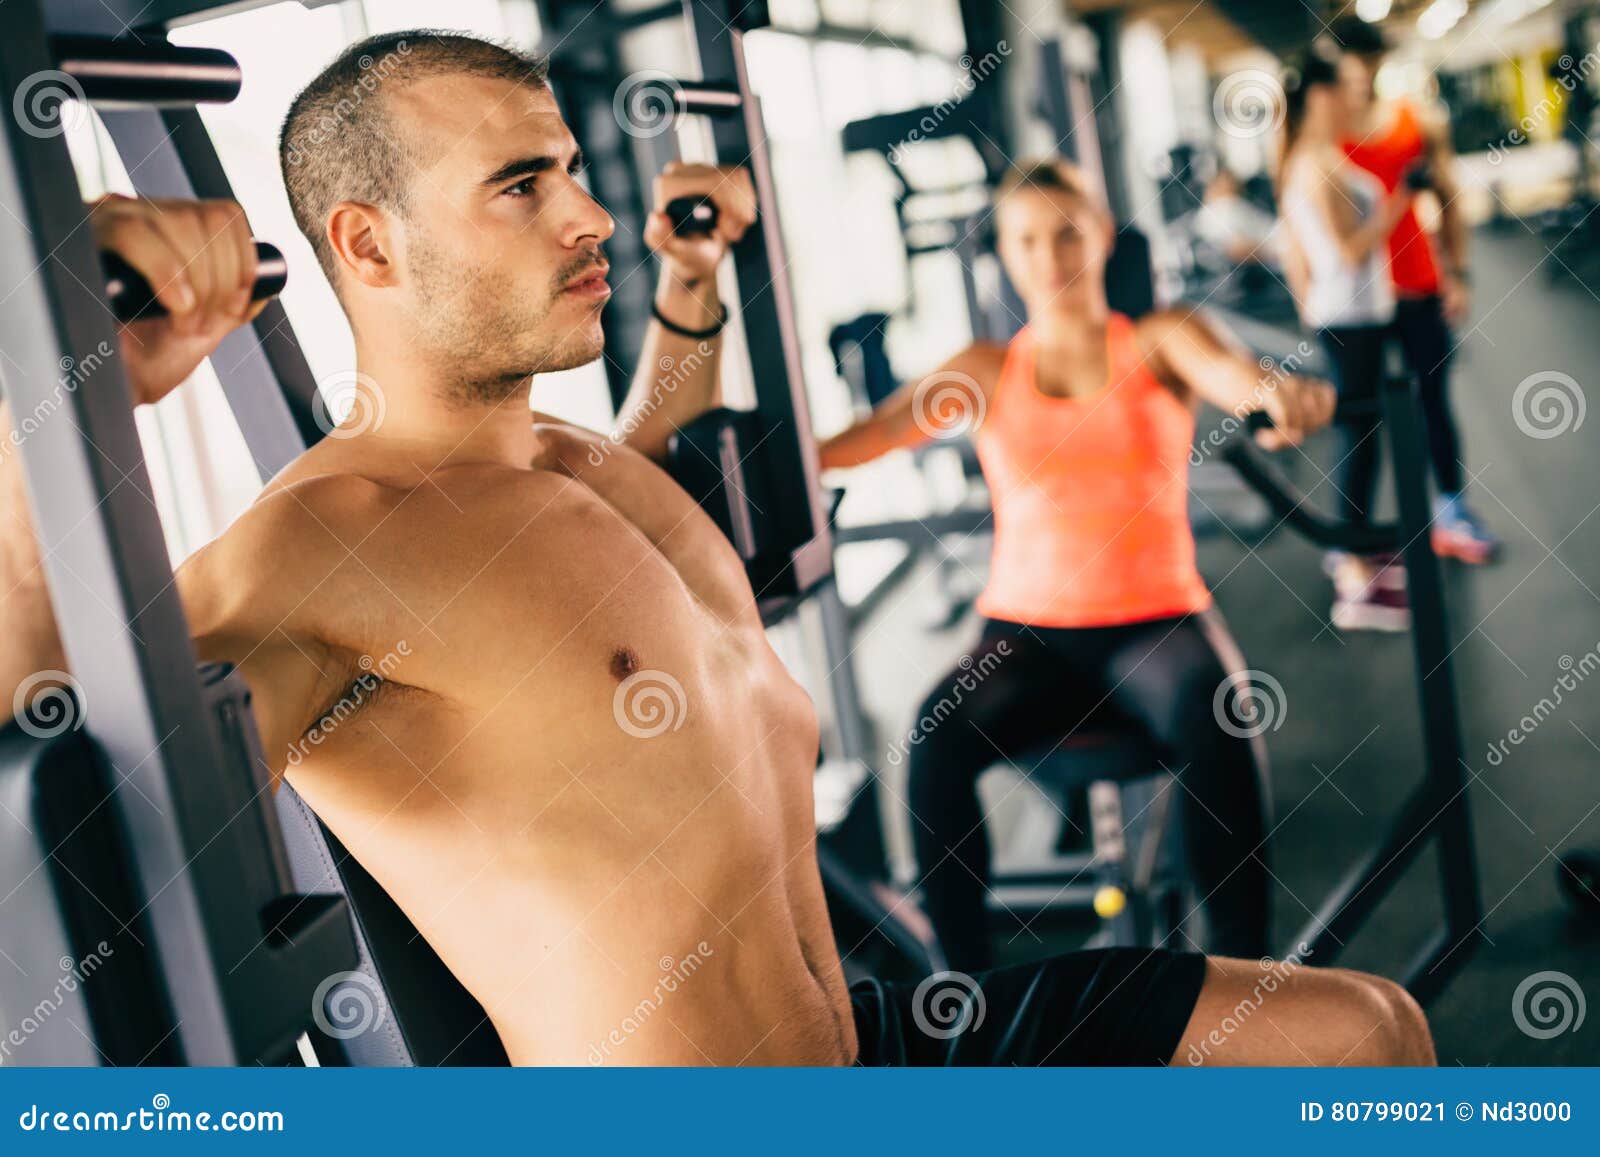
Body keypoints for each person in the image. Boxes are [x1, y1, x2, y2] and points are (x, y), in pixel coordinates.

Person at [0, 31, 1434, 1068]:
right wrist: (47, 397)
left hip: (873, 1050)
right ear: (367, 249)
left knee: (1364, 1040)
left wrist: (691, 291)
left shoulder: (588, 467)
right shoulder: (312, 553)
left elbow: (637, 465)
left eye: (572, 168)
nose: (590, 213)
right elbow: (50, 775)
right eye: (522, 187)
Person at [818, 159, 1333, 970]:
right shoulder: (986, 370)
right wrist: (759, 461)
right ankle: (968, 997)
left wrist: (1281, 396)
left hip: (1155, 621)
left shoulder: (1161, 338)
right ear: (1005, 254)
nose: (1048, 256)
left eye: (1066, 232)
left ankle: (1245, 983)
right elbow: (860, 441)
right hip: (1027, 634)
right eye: (1025, 238)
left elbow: (1240, 379)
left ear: (1101, 236)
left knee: (1221, 712)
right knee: (935, 736)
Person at [1329, 14, 1498, 563]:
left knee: (1434, 404)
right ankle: (1351, 545)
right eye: (1348, 60)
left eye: (1367, 58)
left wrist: (1459, 273)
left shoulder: (1415, 120)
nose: (1360, 70)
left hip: (1419, 284)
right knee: (1361, 422)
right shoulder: (1323, 134)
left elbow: (1448, 198)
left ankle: (1451, 513)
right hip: (1358, 300)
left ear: (1379, 61)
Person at [1278, 48, 1414, 632]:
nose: (1358, 98)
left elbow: (1300, 256)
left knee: (1367, 439)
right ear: (1320, 96)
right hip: (1348, 319)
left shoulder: (1323, 157)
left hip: (1357, 316)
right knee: (1358, 443)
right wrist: (1406, 200)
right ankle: (1352, 580)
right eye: (1348, 88)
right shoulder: (1312, 162)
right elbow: (1346, 251)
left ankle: (1354, 551)